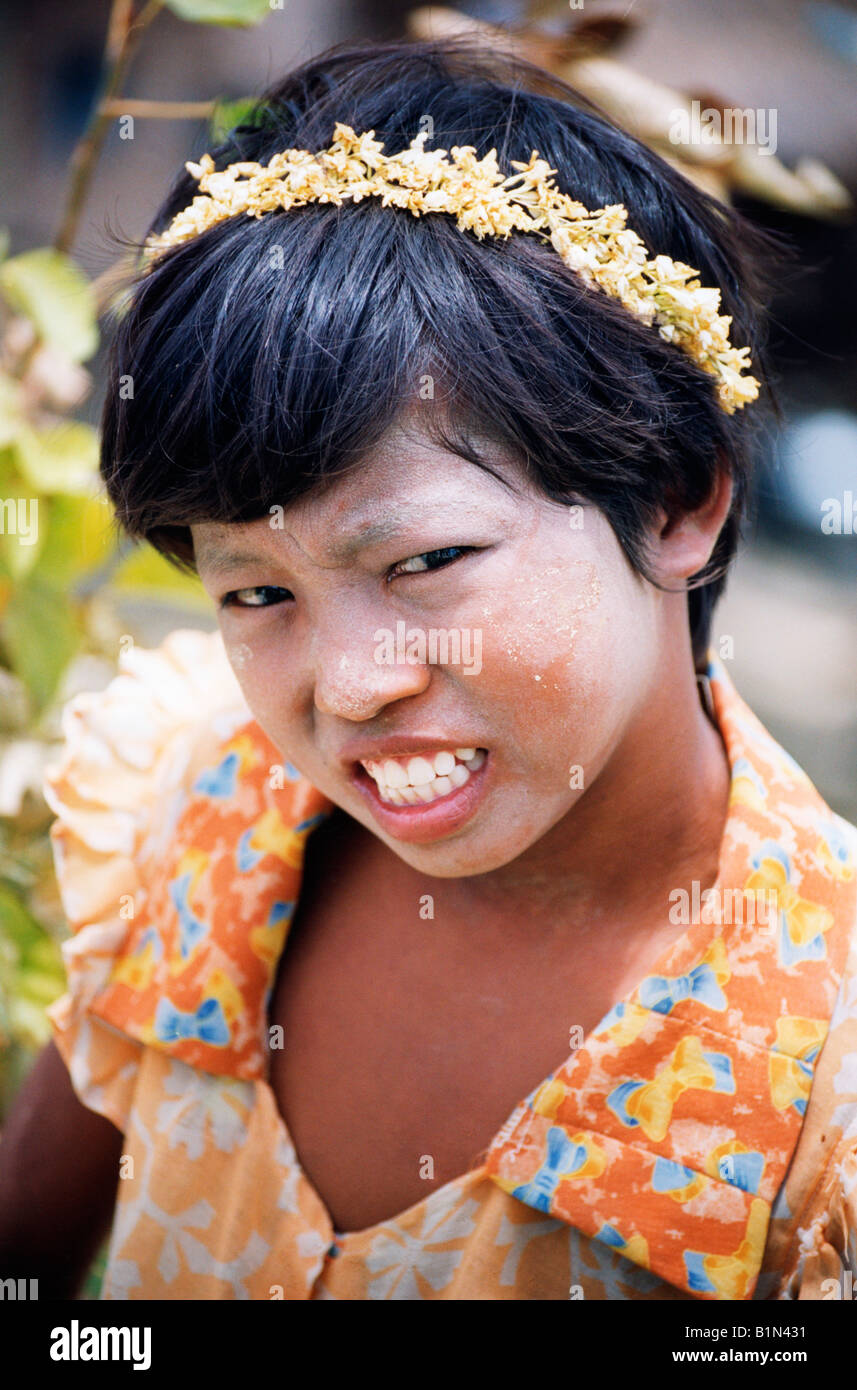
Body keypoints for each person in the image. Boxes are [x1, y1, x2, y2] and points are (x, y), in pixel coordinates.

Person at [1, 36, 855, 1302]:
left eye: (424, 561)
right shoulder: (196, 809)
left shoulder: (821, 1088)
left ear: (676, 501)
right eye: (256, 592)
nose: (349, 685)